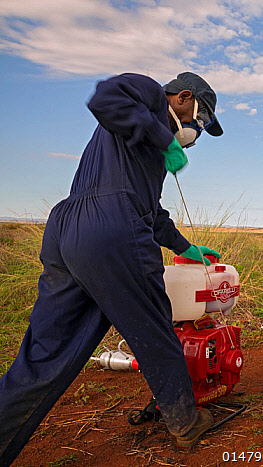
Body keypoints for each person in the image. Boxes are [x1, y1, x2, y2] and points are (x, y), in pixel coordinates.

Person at [0, 72, 224, 465]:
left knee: (45, 354)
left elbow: (150, 214)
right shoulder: (150, 96)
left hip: (68, 230)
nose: (197, 130)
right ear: (183, 97)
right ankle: (186, 423)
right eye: (199, 119)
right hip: (111, 228)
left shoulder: (142, 143)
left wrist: (186, 247)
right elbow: (104, 96)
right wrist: (165, 139)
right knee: (155, 329)